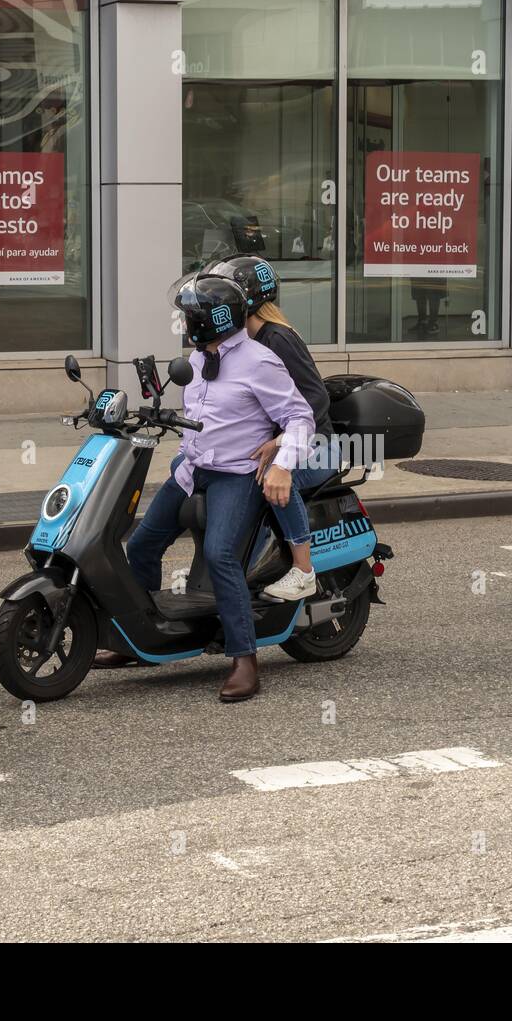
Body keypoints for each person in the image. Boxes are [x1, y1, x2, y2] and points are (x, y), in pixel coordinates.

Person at [107, 273, 316, 703]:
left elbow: (300, 418)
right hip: (193, 470)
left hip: (236, 476)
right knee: (142, 544)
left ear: (212, 320)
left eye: (190, 317)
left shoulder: (260, 361)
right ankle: (141, 639)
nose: (184, 324)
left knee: (222, 554)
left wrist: (282, 465)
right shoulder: (200, 359)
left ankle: (244, 658)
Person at [205, 255, 338, 602]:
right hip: (285, 443)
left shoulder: (276, 338)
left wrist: (280, 443)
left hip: (319, 446)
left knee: (271, 477)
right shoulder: (244, 342)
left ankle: (303, 570)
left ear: (243, 301)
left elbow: (315, 401)